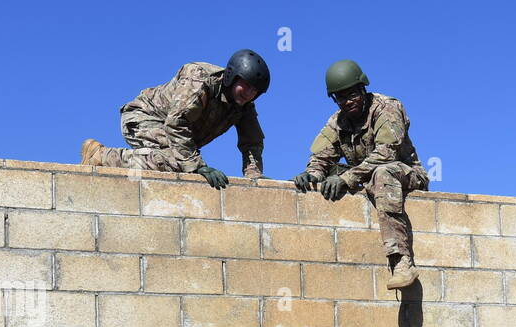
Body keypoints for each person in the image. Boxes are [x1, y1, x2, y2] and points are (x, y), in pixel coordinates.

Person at [292, 60, 429, 291]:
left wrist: (346, 179)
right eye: (341, 98)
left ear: (362, 89)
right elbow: (322, 156)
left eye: (352, 94)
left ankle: (401, 261)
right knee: (328, 176)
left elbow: (387, 152)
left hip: (404, 175)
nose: (348, 101)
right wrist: (312, 174)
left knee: (382, 172)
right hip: (367, 178)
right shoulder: (338, 121)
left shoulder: (386, 107)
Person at [81, 50, 270, 188]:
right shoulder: (199, 79)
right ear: (231, 77)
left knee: (181, 161)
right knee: (178, 162)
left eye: (255, 90)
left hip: (171, 131)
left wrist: (255, 177)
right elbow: (176, 123)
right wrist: (197, 166)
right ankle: (100, 156)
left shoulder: (243, 106)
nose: (249, 93)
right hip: (143, 118)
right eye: (244, 85)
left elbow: (252, 142)